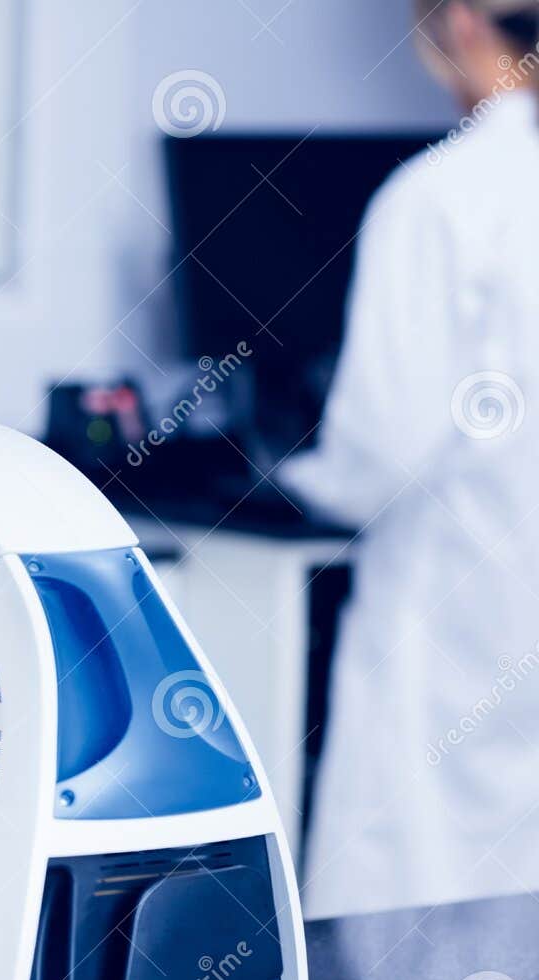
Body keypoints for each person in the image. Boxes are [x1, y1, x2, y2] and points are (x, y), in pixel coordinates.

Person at [283, 0, 539, 918]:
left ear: (461, 22)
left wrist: (288, 477)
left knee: (409, 911)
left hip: (461, 602)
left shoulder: (442, 196)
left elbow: (379, 450)